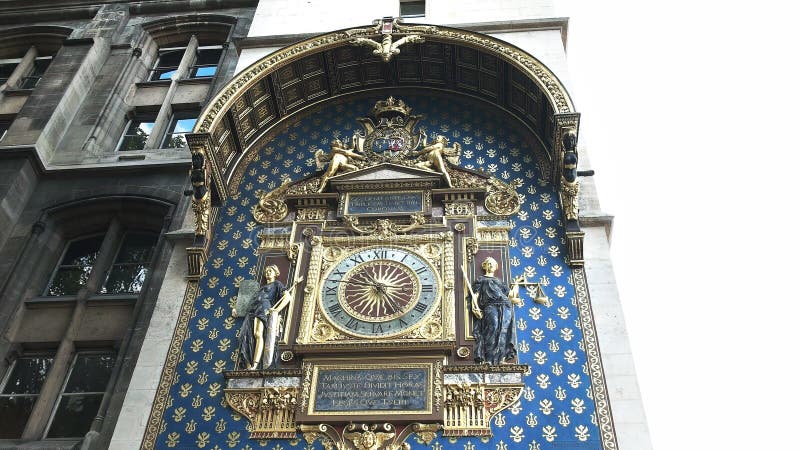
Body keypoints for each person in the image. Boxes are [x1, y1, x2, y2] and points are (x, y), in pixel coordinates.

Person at [234, 265, 302, 370]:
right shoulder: (261, 288)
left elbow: (287, 297)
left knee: (258, 334)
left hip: (263, 309)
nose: (268, 273)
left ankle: (255, 364)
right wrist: (238, 311)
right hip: (255, 311)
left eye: (270, 271)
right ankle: (252, 362)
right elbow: (251, 303)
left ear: (276, 273)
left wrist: (277, 310)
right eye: (266, 271)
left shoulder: (277, 284)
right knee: (252, 335)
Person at [467, 257, 524, 365]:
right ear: (485, 266)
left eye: (493, 264)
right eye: (489, 263)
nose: (491, 265)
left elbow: (511, 296)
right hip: (490, 306)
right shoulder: (481, 280)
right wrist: (475, 308)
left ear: (496, 267)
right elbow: (475, 296)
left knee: (503, 332)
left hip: (505, 306)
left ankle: (500, 359)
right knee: (492, 330)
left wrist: (516, 283)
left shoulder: (499, 282)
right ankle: (489, 359)